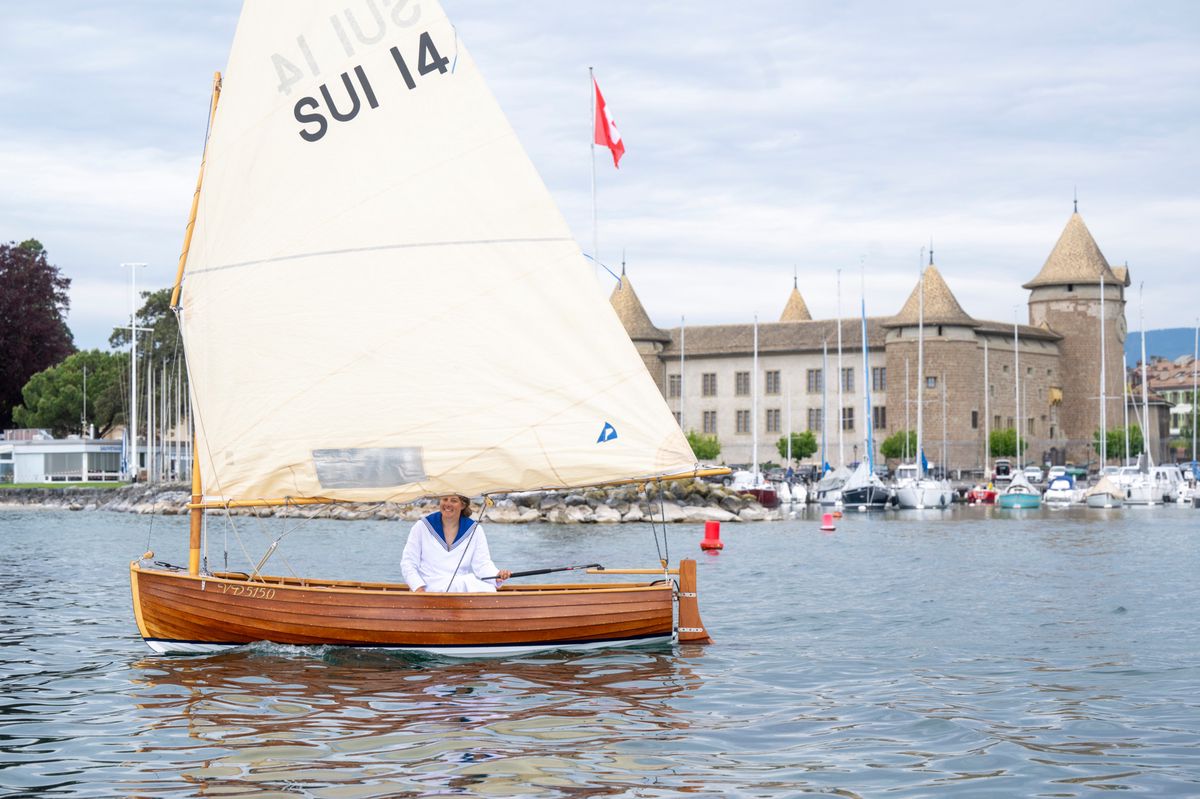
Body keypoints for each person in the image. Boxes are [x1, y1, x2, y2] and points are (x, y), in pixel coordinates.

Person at [401, 494, 511, 592]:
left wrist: (497, 575)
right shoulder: (422, 526)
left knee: (488, 589)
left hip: (460, 589)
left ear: (462, 505)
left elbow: (482, 564)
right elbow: (408, 562)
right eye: (445, 499)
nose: (448, 504)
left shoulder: (475, 529)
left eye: (453, 500)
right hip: (429, 586)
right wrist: (418, 587)